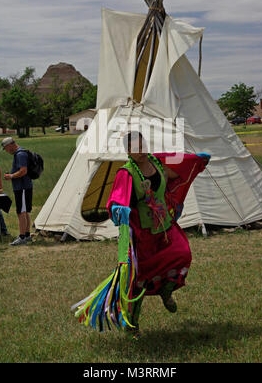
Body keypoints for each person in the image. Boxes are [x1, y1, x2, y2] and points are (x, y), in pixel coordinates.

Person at [73, 131, 211, 338]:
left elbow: (175, 174)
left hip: (165, 226)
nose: (142, 151)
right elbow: (117, 199)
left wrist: (195, 162)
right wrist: (121, 210)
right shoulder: (126, 173)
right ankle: (132, 323)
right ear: (128, 151)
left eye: (143, 146)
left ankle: (167, 289)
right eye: (136, 149)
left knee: (183, 254)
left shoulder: (157, 162)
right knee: (138, 280)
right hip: (143, 234)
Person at [1, 137, 33, 246]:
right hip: (25, 186)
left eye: (5, 148)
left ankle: (22, 237)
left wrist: (11, 176)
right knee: (25, 211)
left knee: (21, 212)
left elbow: (23, 171)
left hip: (22, 187)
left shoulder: (20, 154)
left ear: (10, 145)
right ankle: (27, 235)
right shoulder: (21, 153)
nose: (6, 151)